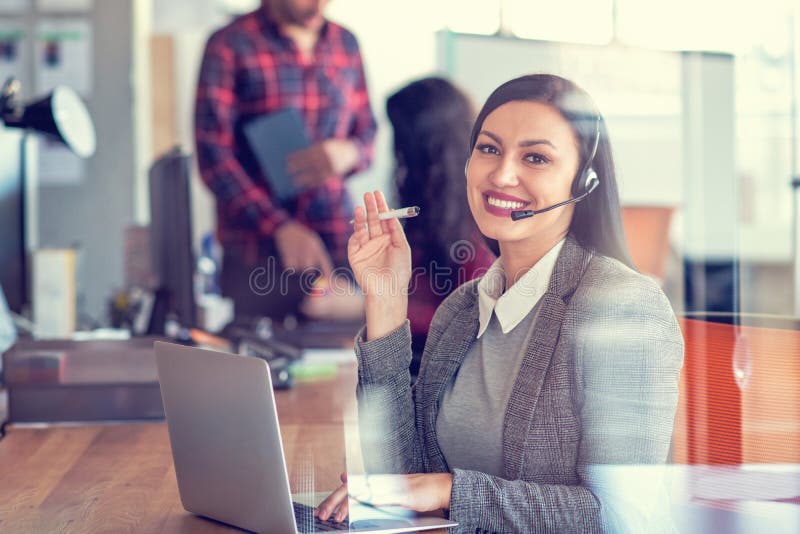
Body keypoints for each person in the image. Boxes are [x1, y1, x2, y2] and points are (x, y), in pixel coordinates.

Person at [315, 74, 684, 532]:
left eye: (535, 157)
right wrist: (386, 302)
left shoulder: (622, 307)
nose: (502, 174)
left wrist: (450, 492)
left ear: (584, 182)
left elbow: (620, 518)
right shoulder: (462, 310)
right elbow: (403, 481)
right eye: (489, 149)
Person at [194, 0, 376, 321]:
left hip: (335, 248)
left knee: (346, 364)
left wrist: (349, 153)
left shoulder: (346, 44)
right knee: (255, 363)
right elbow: (213, 157)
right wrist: (279, 226)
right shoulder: (230, 45)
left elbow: (367, 134)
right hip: (258, 255)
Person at [302, 77, 495, 370]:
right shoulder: (432, 211)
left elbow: (469, 323)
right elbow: (416, 289)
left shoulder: (479, 220)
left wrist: (366, 305)